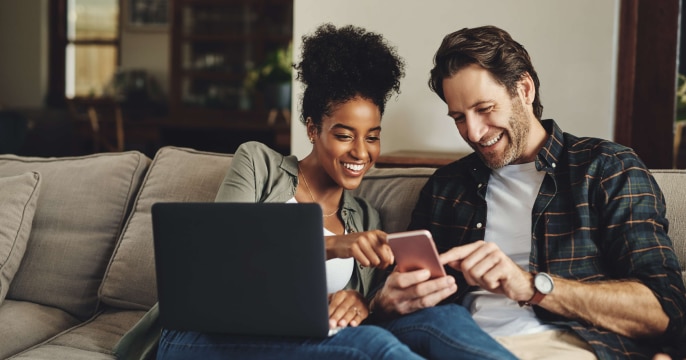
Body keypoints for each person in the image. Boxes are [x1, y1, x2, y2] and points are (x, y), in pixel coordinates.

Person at [115, 23, 516, 360]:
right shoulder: (258, 164)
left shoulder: (364, 218)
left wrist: (361, 303)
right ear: (312, 129)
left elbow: (355, 310)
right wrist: (334, 246)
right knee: (371, 347)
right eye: (344, 135)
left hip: (301, 342)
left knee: (439, 321)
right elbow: (224, 252)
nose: (361, 152)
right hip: (196, 335)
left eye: (372, 137)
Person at [368, 25, 686, 359]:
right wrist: (385, 301)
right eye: (459, 117)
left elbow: (664, 310)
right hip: (455, 341)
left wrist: (532, 285)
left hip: (563, 346)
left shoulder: (606, 167)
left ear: (524, 89)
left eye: (485, 109)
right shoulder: (447, 187)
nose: (473, 133)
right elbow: (402, 297)